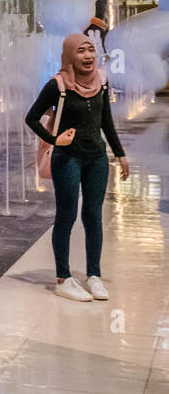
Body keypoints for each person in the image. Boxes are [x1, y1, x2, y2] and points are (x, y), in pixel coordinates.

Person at [25, 35, 130, 302]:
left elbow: (106, 120)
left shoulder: (102, 81)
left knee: (93, 216)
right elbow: (32, 117)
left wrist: (119, 153)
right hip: (67, 158)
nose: (87, 56)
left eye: (91, 50)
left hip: (97, 158)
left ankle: (93, 275)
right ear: (70, 56)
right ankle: (63, 278)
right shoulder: (57, 85)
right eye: (81, 51)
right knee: (66, 216)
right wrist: (54, 140)